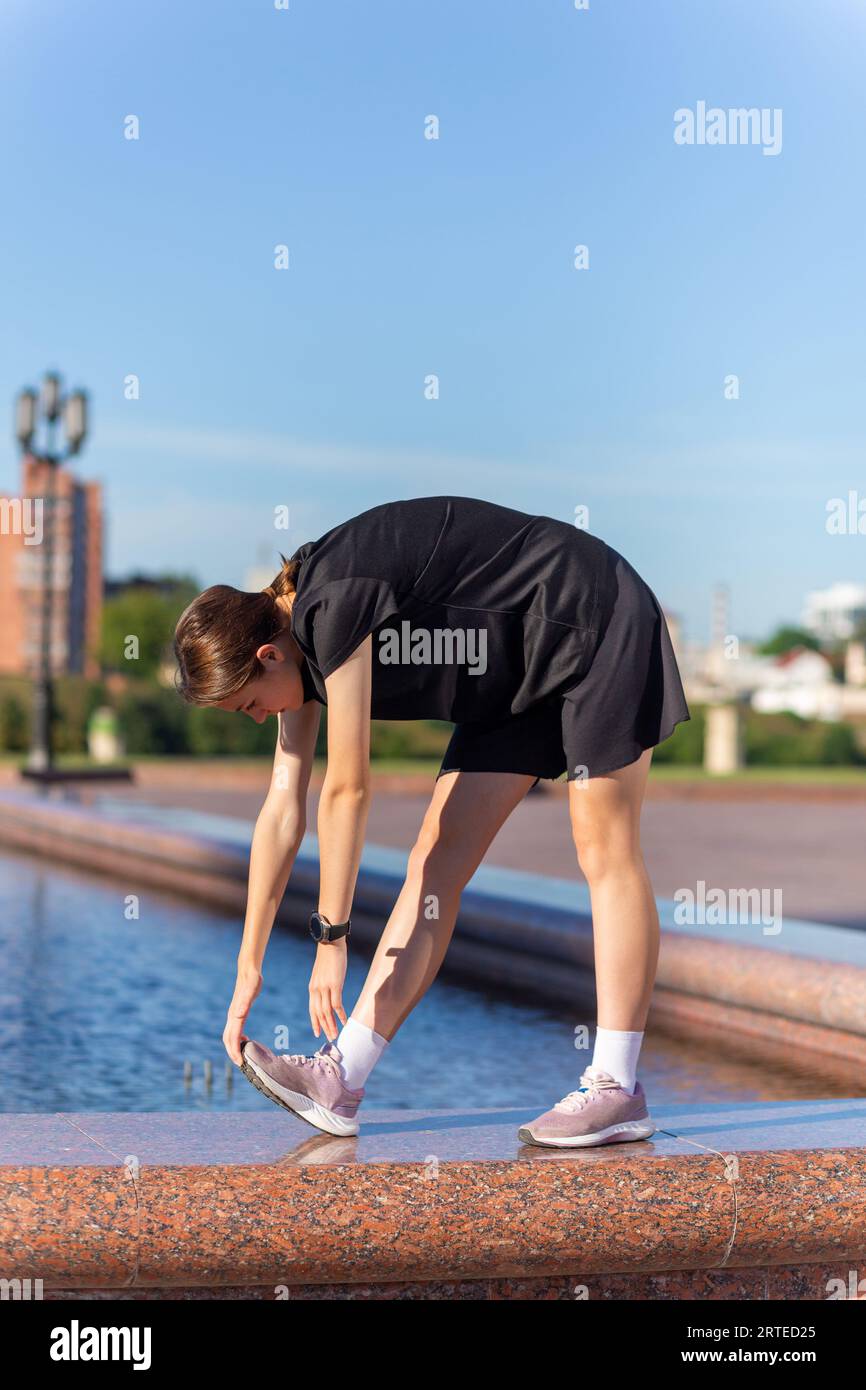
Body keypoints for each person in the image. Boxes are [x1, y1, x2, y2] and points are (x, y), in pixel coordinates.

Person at [173, 496, 689, 1147]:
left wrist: (331, 939)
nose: (255, 718)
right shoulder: (293, 643)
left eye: (249, 704)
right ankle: (342, 1079)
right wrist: (247, 965)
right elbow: (283, 806)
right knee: (434, 861)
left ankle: (617, 1086)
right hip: (510, 676)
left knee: (602, 846)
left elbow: (348, 787)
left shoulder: (330, 605)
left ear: (269, 655)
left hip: (593, 617)